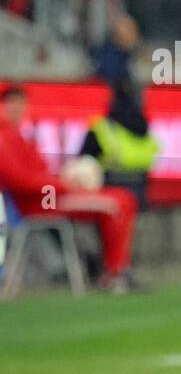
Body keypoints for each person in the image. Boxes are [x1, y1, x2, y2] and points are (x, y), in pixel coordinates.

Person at [0, 85, 142, 293]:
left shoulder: (21, 136)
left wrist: (63, 179)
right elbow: (19, 180)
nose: (18, 109)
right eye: (11, 103)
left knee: (123, 198)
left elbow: (39, 173)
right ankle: (113, 273)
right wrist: (62, 184)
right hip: (40, 202)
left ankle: (116, 269)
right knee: (116, 203)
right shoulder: (4, 139)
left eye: (21, 103)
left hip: (52, 195)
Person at [79, 74, 158, 207]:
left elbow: (83, 160)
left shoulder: (102, 128)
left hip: (108, 194)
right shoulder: (145, 127)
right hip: (140, 193)